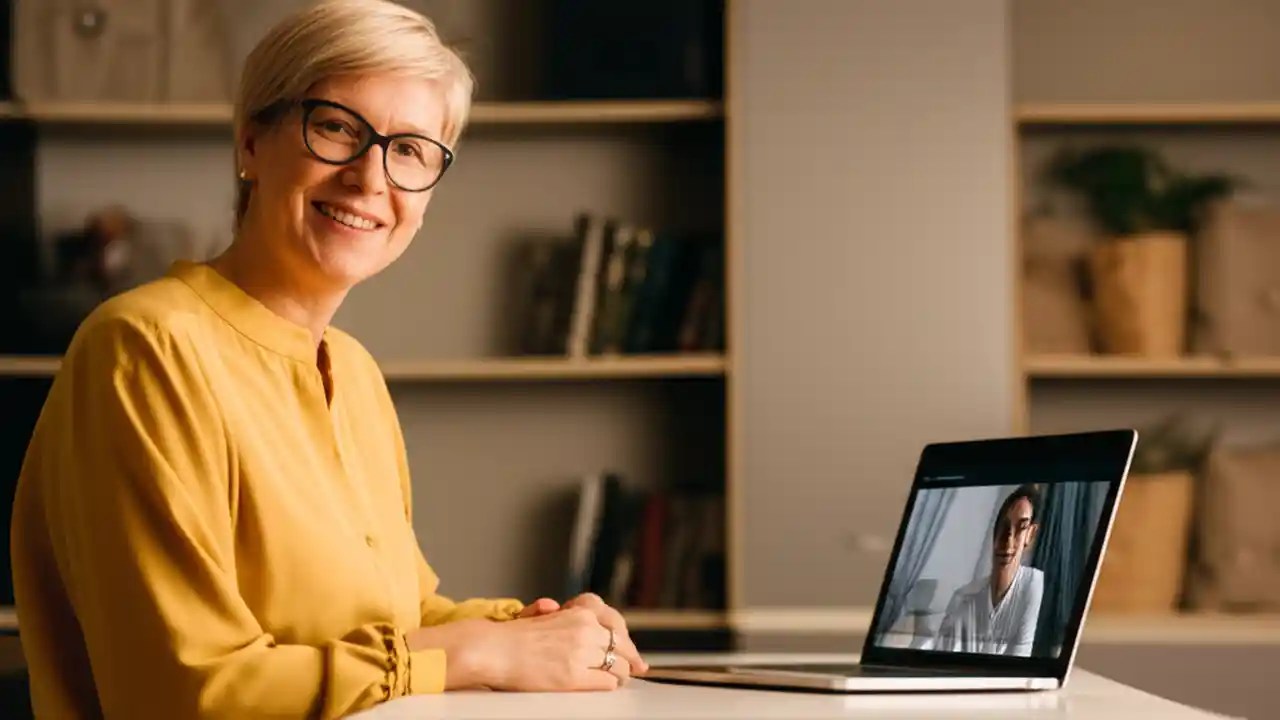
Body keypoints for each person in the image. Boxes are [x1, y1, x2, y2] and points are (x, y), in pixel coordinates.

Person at [10, 1, 647, 717]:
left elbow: (390, 619)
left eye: (410, 150)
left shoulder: (353, 372)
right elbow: (180, 691)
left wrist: (535, 628)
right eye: (339, 129)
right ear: (252, 142)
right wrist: (479, 653)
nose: (372, 178)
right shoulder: (144, 349)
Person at [933, 485, 1045, 657]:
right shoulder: (963, 598)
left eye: (1020, 528)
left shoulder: (1034, 584)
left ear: (1030, 535)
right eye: (1004, 527)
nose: (1007, 541)